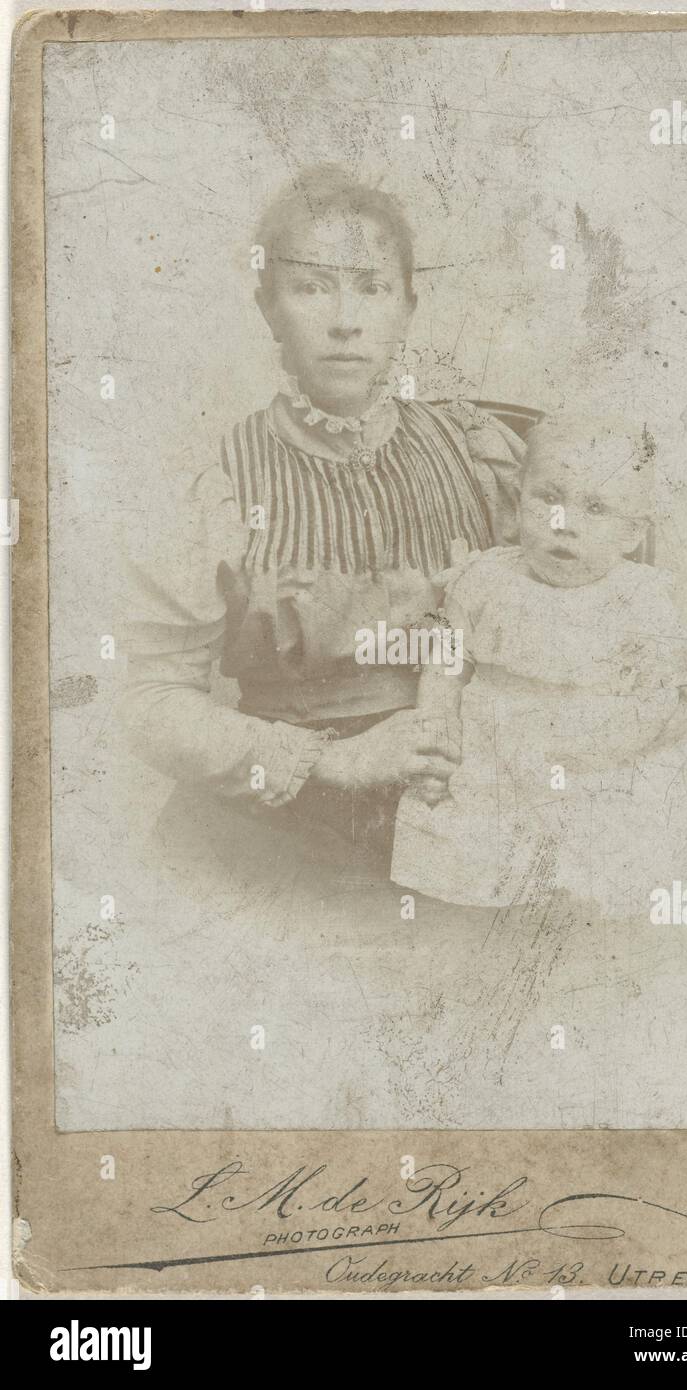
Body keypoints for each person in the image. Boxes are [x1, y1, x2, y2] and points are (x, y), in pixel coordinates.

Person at [122, 164, 524, 911]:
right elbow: (144, 699)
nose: (345, 320)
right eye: (310, 288)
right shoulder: (219, 476)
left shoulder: (481, 453)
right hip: (281, 831)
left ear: (407, 306)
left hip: (473, 809)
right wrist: (333, 762)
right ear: (268, 307)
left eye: (370, 287)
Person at [391, 412, 687, 919]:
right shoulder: (486, 579)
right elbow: (447, 663)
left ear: (630, 533)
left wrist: (616, 748)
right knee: (474, 867)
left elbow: (676, 698)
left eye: (596, 507)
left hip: (600, 763)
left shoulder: (640, 598)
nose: (566, 523)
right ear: (518, 502)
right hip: (495, 760)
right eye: (548, 498)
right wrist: (436, 732)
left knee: (601, 870)